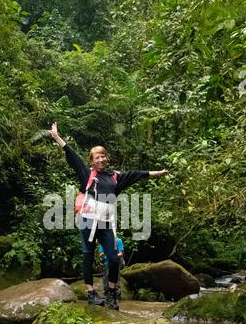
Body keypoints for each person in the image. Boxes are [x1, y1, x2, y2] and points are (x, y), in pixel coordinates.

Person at [48, 122, 168, 310]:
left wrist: (157, 173)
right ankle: (91, 294)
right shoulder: (86, 174)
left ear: (107, 158)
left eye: (103, 156)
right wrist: (56, 136)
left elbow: (136, 174)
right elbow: (71, 154)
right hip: (87, 220)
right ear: (92, 161)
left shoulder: (115, 177)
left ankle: (111, 293)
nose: (101, 159)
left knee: (113, 258)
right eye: (97, 157)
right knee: (88, 255)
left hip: (105, 222)